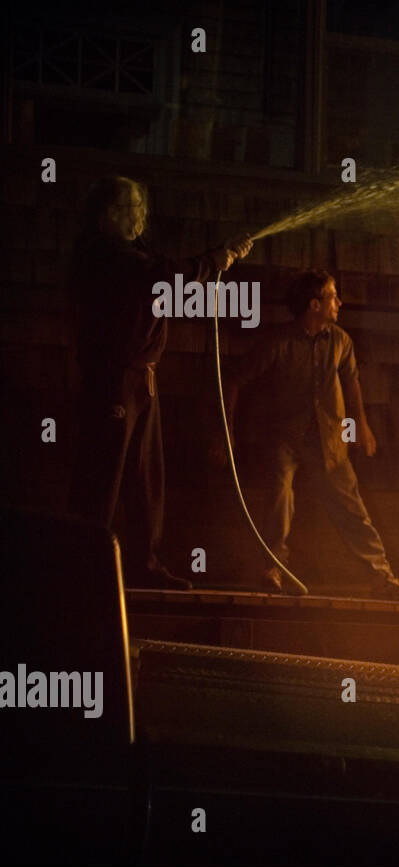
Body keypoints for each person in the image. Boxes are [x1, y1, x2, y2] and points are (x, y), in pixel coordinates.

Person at [68, 175, 252, 589]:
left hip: (140, 381)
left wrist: (214, 260)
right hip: (113, 382)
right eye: (133, 207)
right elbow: (163, 277)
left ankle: (143, 566)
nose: (142, 216)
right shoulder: (103, 254)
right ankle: (80, 568)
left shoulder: (130, 252)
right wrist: (212, 261)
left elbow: (166, 276)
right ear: (110, 213)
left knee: (144, 476)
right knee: (104, 476)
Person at [219, 269, 399, 601]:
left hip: (328, 439)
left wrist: (362, 426)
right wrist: (225, 433)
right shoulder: (278, 342)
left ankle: (380, 576)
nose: (339, 302)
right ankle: (273, 568)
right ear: (314, 304)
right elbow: (234, 381)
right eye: (332, 296)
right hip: (284, 436)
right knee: (279, 495)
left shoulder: (340, 341)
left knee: (350, 505)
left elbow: (352, 382)